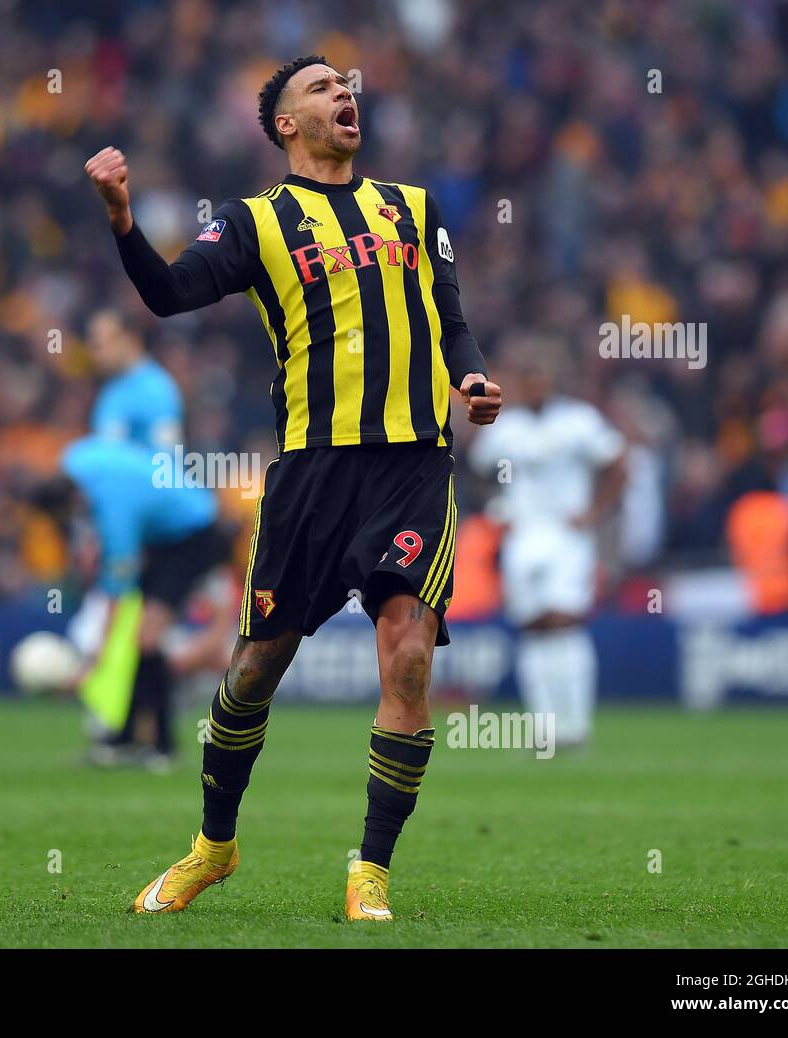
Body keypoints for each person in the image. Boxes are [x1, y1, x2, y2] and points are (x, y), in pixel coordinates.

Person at [85, 54, 502, 921]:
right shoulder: (256, 222)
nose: (343, 93)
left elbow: (451, 322)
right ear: (283, 123)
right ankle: (213, 846)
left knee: (410, 653)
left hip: (411, 464)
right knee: (252, 672)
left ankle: (372, 871)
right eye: (319, 88)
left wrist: (471, 383)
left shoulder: (414, 210)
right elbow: (165, 296)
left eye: (346, 85)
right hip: (311, 473)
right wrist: (123, 220)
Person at [36, 435, 233, 769]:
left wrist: (96, 657)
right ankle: (128, 738)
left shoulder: (114, 513)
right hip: (165, 532)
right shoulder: (75, 459)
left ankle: (163, 746)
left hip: (194, 535)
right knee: (143, 637)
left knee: (148, 637)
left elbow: (117, 593)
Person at [470, 341, 626, 748]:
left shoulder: (578, 421)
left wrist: (593, 513)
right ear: (520, 384)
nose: (535, 386)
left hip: (566, 535)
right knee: (533, 625)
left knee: (565, 620)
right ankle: (546, 728)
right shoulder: (506, 428)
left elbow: (618, 465)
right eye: (529, 379)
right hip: (523, 536)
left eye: (542, 378)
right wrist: (496, 505)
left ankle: (576, 725)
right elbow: (477, 468)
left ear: (553, 382)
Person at [88, 307, 184, 452]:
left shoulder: (156, 390)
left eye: (100, 345)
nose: (95, 353)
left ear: (130, 338)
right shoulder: (111, 388)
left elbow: (167, 458)